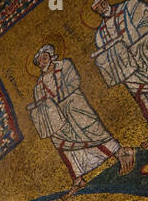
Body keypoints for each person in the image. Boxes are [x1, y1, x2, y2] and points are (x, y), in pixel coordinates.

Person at [29, 43, 133, 187]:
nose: (42, 62)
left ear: (51, 56)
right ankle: (78, 179)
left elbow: (74, 81)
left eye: (44, 58)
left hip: (74, 105)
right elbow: (41, 103)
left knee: (92, 130)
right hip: (57, 116)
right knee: (61, 143)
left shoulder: (64, 65)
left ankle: (121, 153)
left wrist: (60, 97)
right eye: (39, 61)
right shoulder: (39, 85)